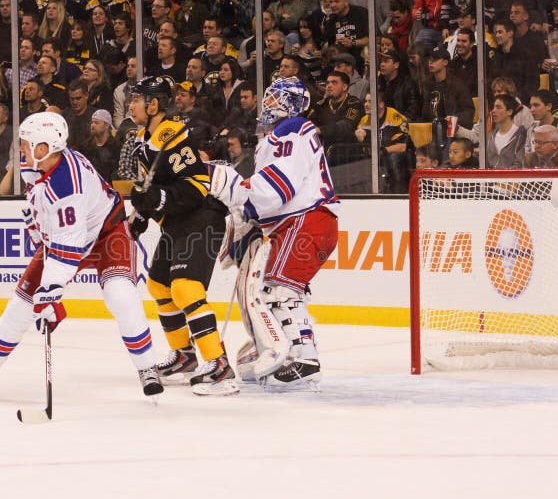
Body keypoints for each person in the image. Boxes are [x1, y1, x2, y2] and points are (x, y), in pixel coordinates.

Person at [0, 111, 164, 399]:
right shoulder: (40, 164)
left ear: (44, 148)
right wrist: (35, 222)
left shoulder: (69, 188)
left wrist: (51, 293)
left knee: (121, 295)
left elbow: (67, 249)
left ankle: (147, 367)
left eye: (27, 143)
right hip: (67, 238)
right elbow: (50, 221)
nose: (22, 148)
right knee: (21, 305)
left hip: (108, 234)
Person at [207, 76, 339, 388]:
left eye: (279, 99)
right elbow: (270, 193)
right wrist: (246, 214)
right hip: (301, 222)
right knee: (277, 288)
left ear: (293, 105)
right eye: (270, 97)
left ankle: (303, 360)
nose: (270, 104)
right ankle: (299, 354)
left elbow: (278, 187)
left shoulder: (292, 128)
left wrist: (239, 194)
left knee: (279, 290)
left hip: (307, 220)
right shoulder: (277, 136)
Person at [127, 75, 235, 396]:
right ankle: (185, 357)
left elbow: (196, 186)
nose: (131, 105)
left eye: (136, 100)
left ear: (154, 104)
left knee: (186, 288)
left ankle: (218, 364)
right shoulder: (145, 138)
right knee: (159, 284)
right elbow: (149, 188)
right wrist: (142, 214)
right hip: (176, 221)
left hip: (202, 217)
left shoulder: (174, 136)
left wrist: (156, 200)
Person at [355, 91, 412, 193]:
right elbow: (361, 144)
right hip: (372, 161)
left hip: (394, 161)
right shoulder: (364, 120)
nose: (366, 105)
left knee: (395, 158)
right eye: (365, 101)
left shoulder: (395, 117)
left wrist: (382, 151)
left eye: (370, 101)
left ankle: (398, 194)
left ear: (381, 104)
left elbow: (403, 146)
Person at [486, 94, 526, 169]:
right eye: (493, 107)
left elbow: (520, 162)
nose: (493, 111)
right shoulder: (490, 136)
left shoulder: (521, 135)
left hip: (513, 179)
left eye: (498, 107)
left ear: (509, 112)